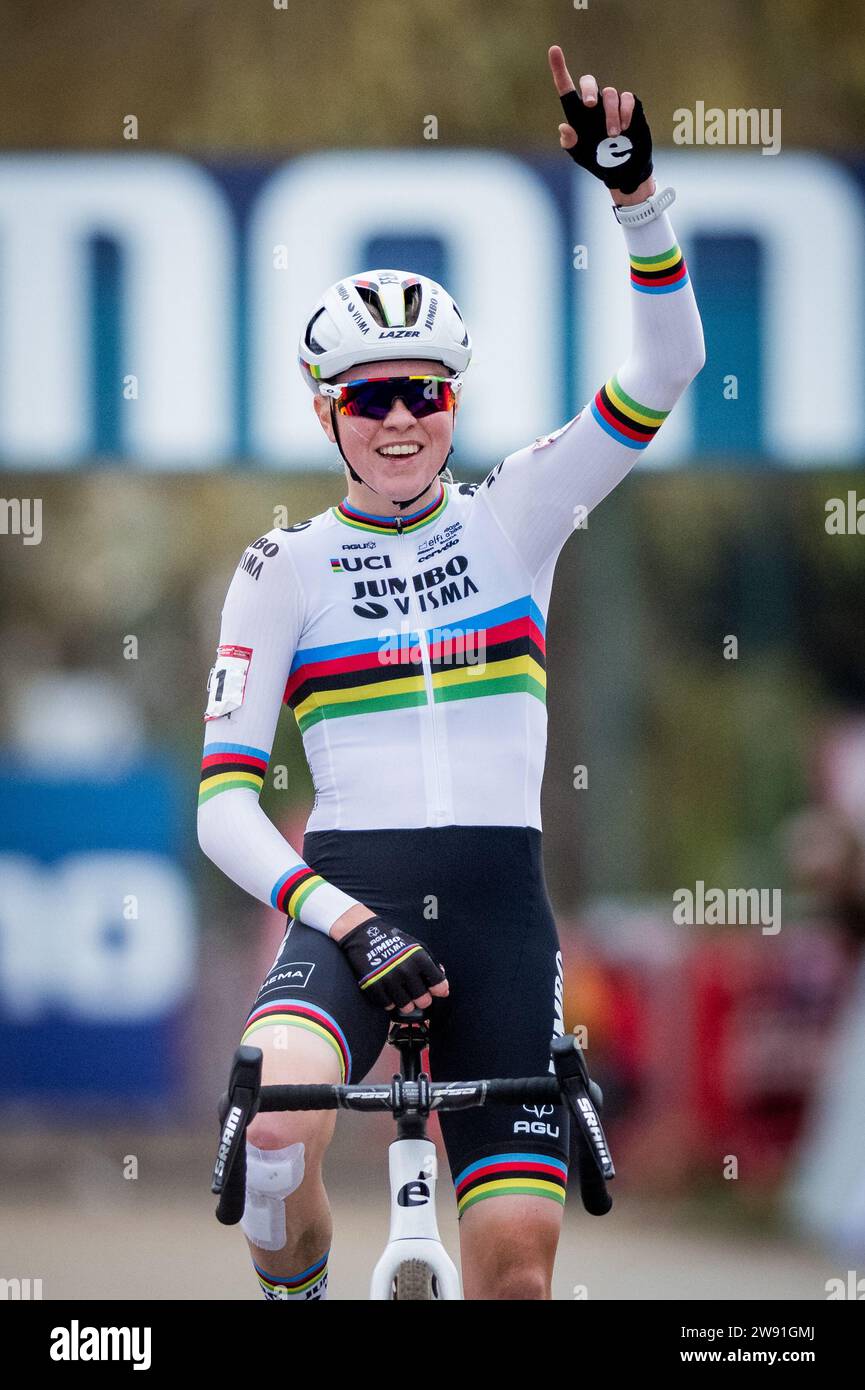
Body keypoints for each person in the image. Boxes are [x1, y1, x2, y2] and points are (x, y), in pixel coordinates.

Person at [198, 46, 705, 1301]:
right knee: (271, 1138)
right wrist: (350, 921)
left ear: (456, 399)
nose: (399, 417)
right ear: (328, 414)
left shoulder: (513, 517)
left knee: (519, 1275)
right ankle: (297, 1290)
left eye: (423, 389)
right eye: (369, 395)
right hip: (347, 910)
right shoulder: (282, 569)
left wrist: (635, 196)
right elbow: (221, 805)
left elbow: (666, 368)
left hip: (498, 915)